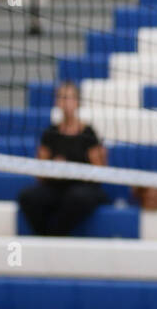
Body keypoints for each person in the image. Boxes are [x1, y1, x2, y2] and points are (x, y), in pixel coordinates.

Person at [17, 82, 110, 234]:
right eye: (61, 97)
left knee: (76, 197)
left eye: (70, 98)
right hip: (56, 187)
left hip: (83, 187)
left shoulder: (88, 132)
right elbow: (40, 173)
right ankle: (47, 238)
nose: (66, 102)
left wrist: (72, 170)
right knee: (27, 197)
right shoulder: (50, 132)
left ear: (78, 102)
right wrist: (53, 168)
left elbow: (99, 171)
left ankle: (52, 237)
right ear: (56, 102)